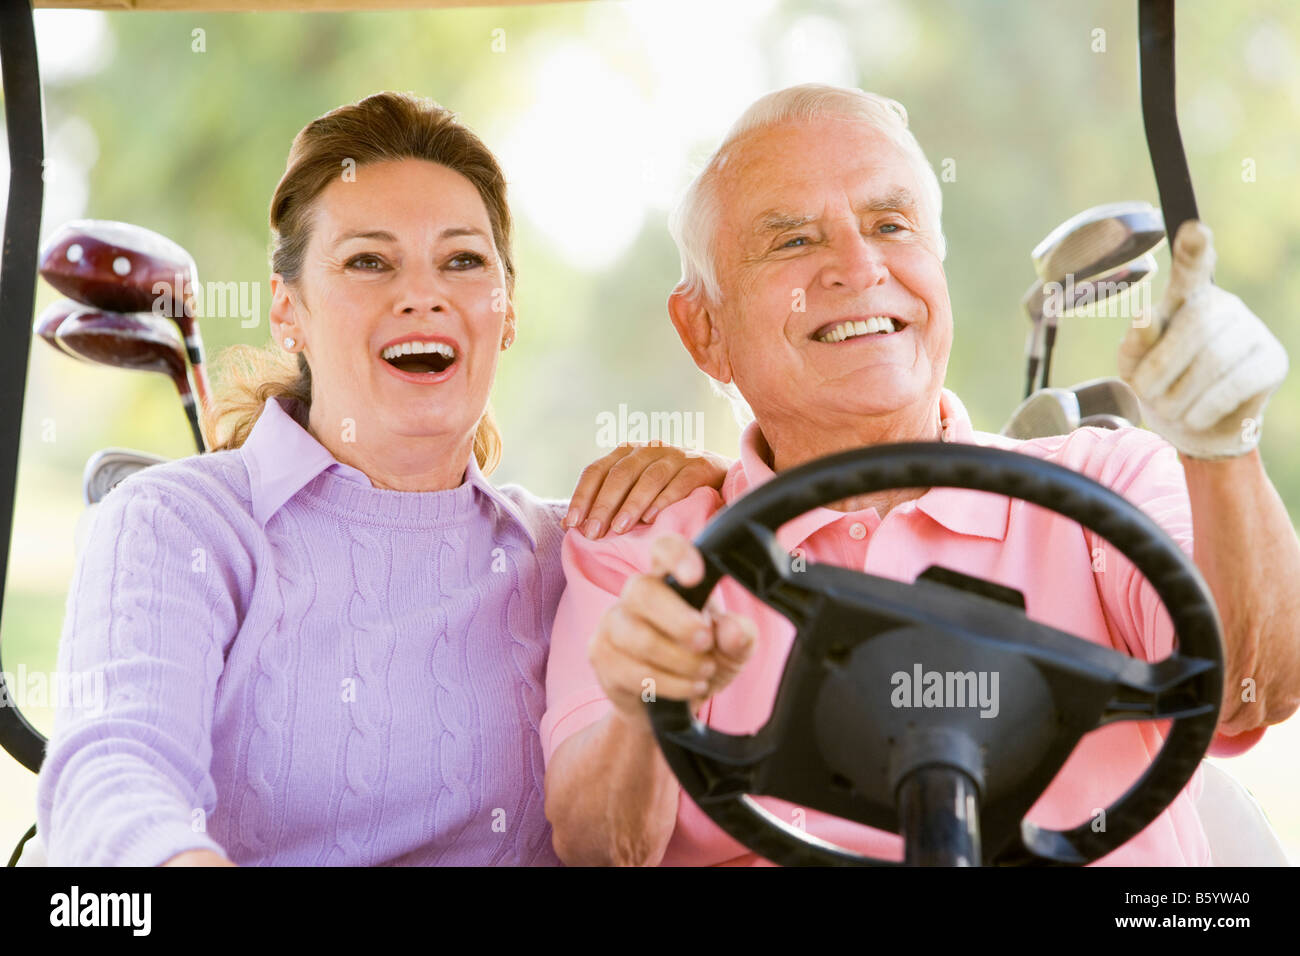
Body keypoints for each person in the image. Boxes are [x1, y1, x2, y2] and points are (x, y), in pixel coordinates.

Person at [541, 83, 1299, 866]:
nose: (859, 266)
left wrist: (1226, 452)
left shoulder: (1111, 482)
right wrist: (645, 707)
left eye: (890, 225)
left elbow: (1254, 692)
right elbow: (599, 850)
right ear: (705, 331)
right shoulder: (638, 554)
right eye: (794, 241)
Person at [34, 91, 728, 867]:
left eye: (463, 260)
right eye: (369, 260)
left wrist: (710, 483)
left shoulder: (575, 551)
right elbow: (112, 779)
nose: (422, 293)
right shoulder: (177, 523)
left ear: (507, 312)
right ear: (287, 309)